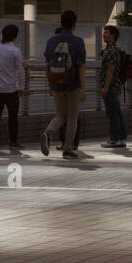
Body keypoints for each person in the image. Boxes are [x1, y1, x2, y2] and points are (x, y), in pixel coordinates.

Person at [40, 10, 85, 159]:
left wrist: (50, 84)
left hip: (56, 81)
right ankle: (67, 149)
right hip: (73, 84)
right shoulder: (78, 41)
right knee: (72, 117)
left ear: (61, 22)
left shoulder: (51, 41)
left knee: (60, 115)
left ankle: (48, 132)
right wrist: (83, 88)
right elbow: (81, 67)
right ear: (74, 24)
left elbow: (48, 64)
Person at [0, 23, 25, 152]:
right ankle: (13, 141)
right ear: (15, 36)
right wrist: (21, 87)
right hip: (11, 89)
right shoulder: (15, 51)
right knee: (13, 117)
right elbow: (20, 70)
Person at [99, 24, 127, 148]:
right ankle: (121, 138)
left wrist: (105, 86)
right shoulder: (114, 49)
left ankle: (114, 139)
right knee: (117, 112)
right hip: (115, 85)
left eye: (107, 33)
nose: (104, 35)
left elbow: (110, 69)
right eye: (104, 33)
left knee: (112, 113)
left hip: (110, 87)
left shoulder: (110, 51)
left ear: (113, 35)